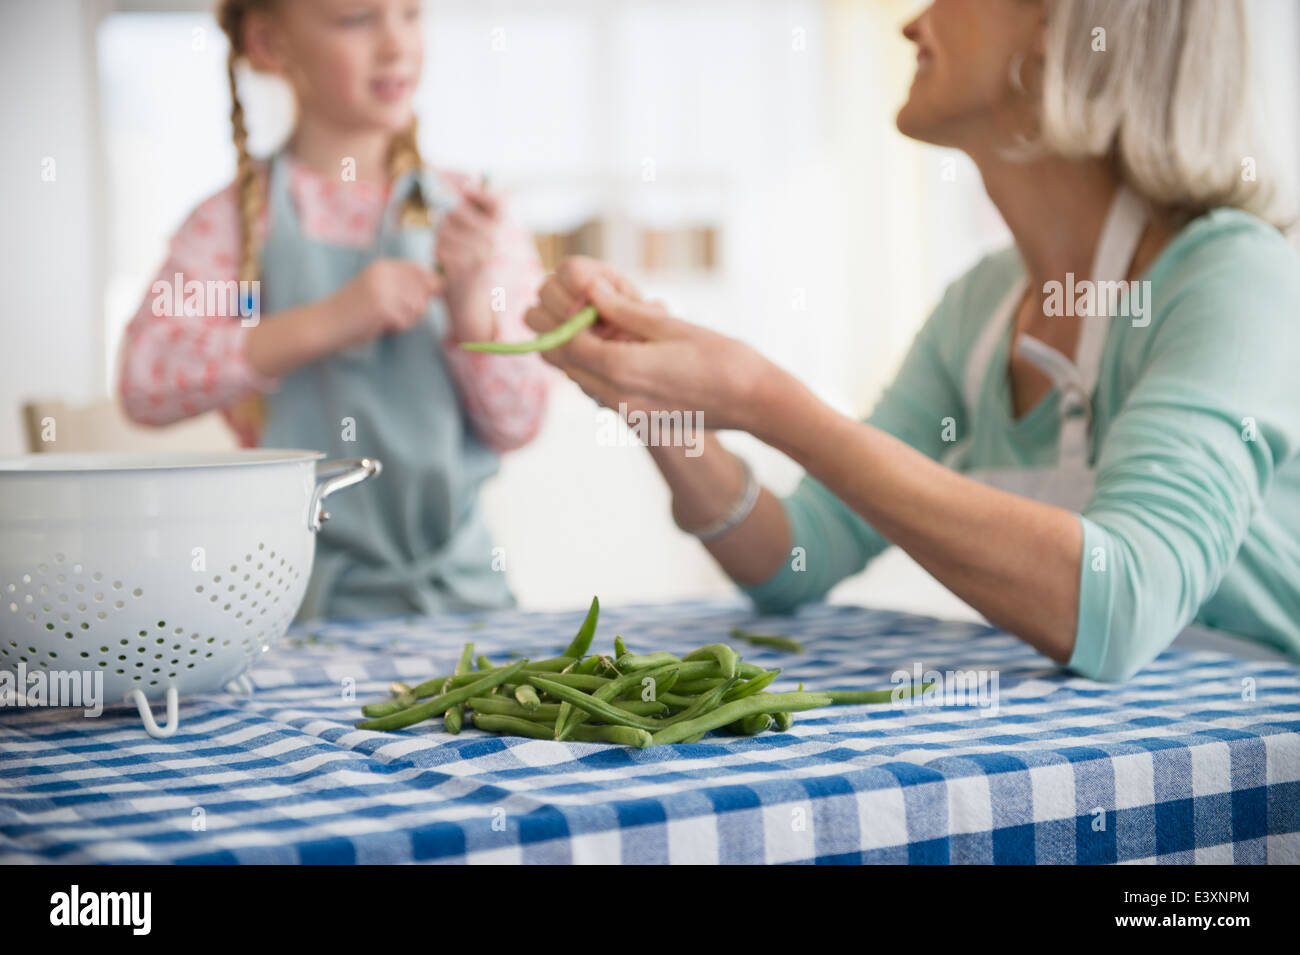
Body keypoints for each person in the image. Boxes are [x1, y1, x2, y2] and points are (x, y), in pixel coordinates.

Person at [523, 0, 1300, 680]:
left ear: (1057, 29)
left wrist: (765, 400)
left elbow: (1118, 603)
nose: (908, 21)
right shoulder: (984, 304)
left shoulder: (1237, 277)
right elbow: (797, 554)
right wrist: (654, 398)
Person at [119, 0, 550, 619]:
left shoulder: (473, 219)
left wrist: (470, 308)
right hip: (296, 611)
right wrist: (332, 319)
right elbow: (143, 382)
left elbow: (521, 422)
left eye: (410, 14)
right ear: (270, 42)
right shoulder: (230, 224)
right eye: (356, 19)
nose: (397, 45)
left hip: (467, 602)